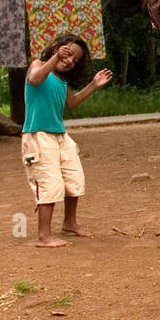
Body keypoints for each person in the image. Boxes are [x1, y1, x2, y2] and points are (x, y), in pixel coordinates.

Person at [21, 34, 113, 248]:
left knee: (74, 178)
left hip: (60, 135)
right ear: (56, 48)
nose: (71, 60)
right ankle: (44, 235)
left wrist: (94, 84)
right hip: (38, 135)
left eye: (76, 59)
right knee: (49, 182)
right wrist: (54, 58)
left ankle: (69, 224)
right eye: (68, 53)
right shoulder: (38, 66)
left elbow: (71, 102)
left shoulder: (62, 81)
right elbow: (35, 79)